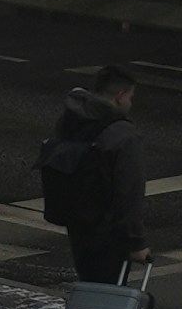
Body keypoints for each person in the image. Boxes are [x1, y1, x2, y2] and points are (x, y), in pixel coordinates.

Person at [37, 73, 147, 284]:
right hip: (109, 233)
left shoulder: (72, 119)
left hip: (78, 223)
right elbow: (129, 192)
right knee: (108, 295)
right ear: (119, 96)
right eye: (130, 97)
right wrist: (137, 242)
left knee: (88, 282)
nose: (130, 103)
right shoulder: (124, 134)